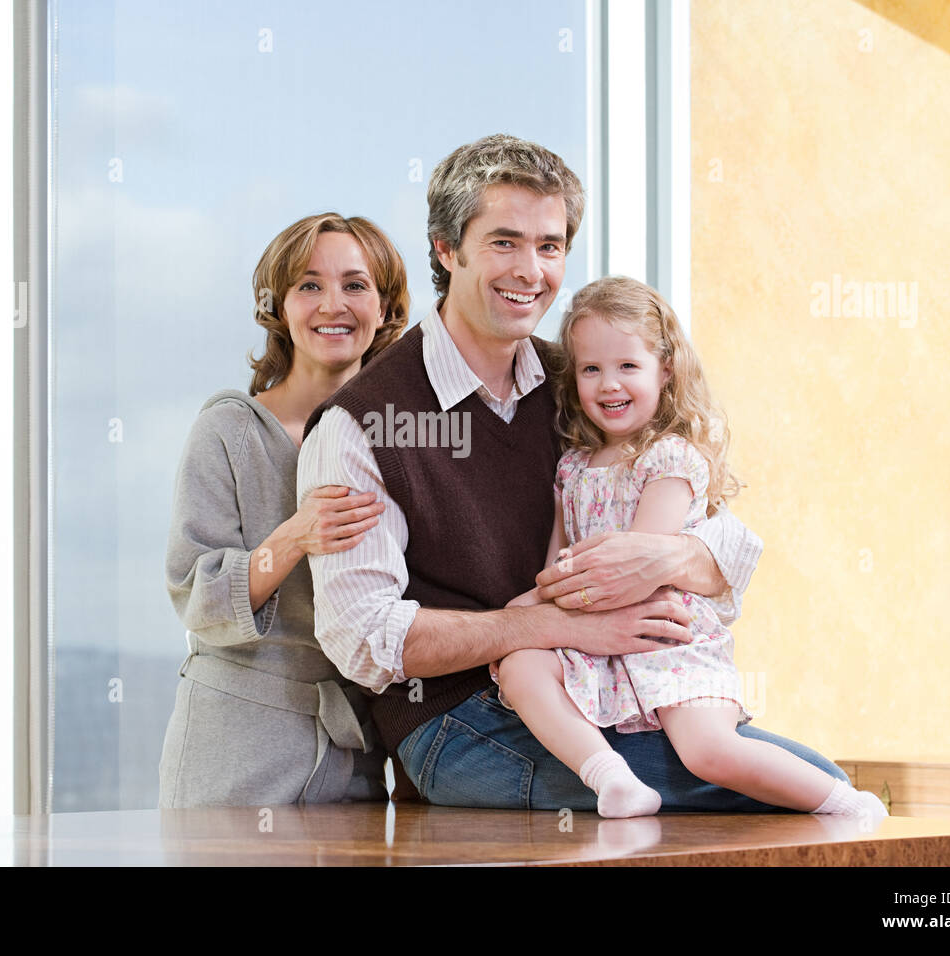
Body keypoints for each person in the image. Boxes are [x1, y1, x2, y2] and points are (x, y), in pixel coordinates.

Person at [298, 133, 855, 811]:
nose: (530, 270)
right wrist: (550, 626)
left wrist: (666, 556)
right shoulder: (359, 425)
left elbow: (727, 541)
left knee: (802, 784)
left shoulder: (582, 380)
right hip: (455, 726)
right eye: (505, 241)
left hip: (601, 685)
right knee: (798, 791)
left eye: (550, 245)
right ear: (447, 249)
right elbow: (362, 639)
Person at [493, 276, 887, 821]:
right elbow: (557, 567)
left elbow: (642, 565)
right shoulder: (572, 468)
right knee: (520, 665)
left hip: (661, 635)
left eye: (628, 366)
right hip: (594, 635)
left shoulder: (668, 459)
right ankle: (612, 780)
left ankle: (849, 805)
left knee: (706, 751)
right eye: (592, 369)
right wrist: (529, 609)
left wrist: (548, 605)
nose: (610, 384)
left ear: (665, 370)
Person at [159, 212, 409, 806]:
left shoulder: (400, 437)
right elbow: (197, 601)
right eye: (308, 285)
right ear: (279, 306)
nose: (333, 304)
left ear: (385, 309)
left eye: (356, 285)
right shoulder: (228, 431)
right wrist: (296, 535)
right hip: (235, 747)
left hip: (355, 749)